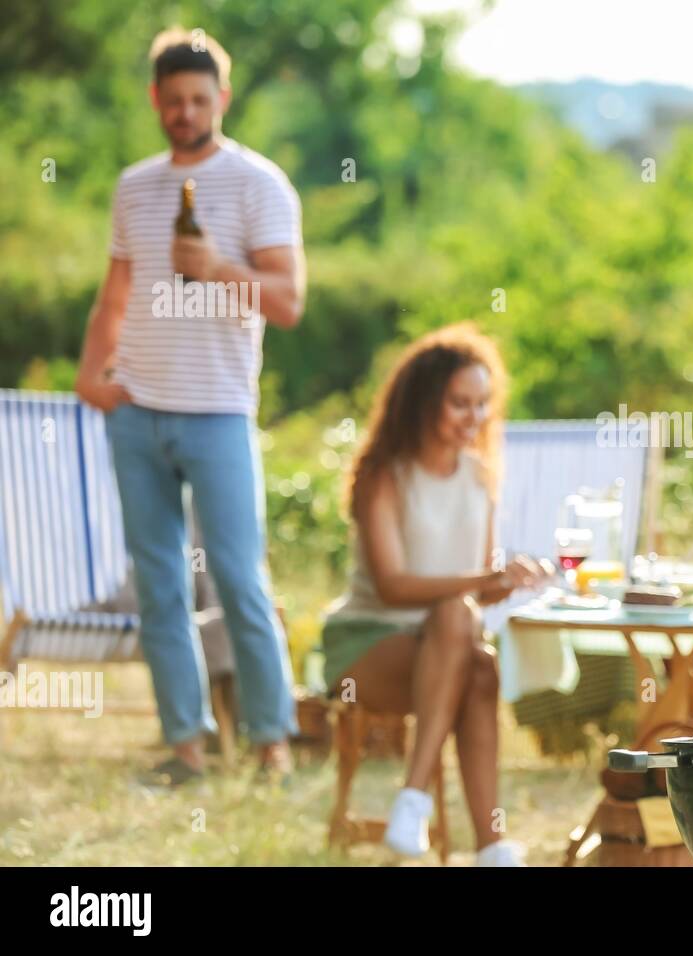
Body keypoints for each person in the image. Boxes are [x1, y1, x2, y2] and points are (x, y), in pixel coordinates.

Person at [74, 28, 307, 784]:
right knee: (160, 586)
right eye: (172, 101)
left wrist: (215, 269)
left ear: (223, 99)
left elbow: (289, 302)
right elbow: (116, 292)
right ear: (155, 101)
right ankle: (185, 749)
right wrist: (91, 374)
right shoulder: (135, 186)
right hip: (138, 412)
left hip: (218, 414)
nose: (185, 112)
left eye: (198, 99)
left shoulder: (258, 184)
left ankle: (272, 745)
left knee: (240, 580)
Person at [322, 323, 547, 865]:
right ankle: (433, 806)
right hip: (368, 644)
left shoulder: (480, 476)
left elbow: (480, 594)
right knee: (458, 624)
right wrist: (480, 582)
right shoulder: (383, 476)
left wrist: (508, 579)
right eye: (458, 404)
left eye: (482, 405)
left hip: (445, 646)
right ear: (424, 402)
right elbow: (393, 587)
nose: (474, 418)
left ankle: (464, 831)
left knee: (478, 663)